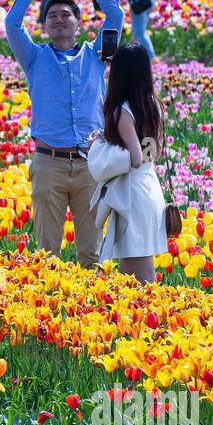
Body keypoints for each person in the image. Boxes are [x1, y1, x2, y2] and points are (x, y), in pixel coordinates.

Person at [4, 0, 123, 267]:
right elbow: (12, 24)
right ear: (44, 26)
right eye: (52, 16)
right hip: (48, 164)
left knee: (91, 256)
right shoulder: (33, 58)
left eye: (65, 14)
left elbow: (116, 17)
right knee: (46, 256)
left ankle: (91, 314)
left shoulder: (97, 54)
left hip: (89, 165)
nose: (58, 18)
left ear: (79, 23)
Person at [90, 44, 167, 283]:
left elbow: (134, 157)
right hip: (149, 186)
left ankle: (157, 317)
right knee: (134, 272)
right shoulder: (152, 104)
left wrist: (102, 143)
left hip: (133, 194)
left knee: (139, 276)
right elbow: (153, 151)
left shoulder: (124, 110)